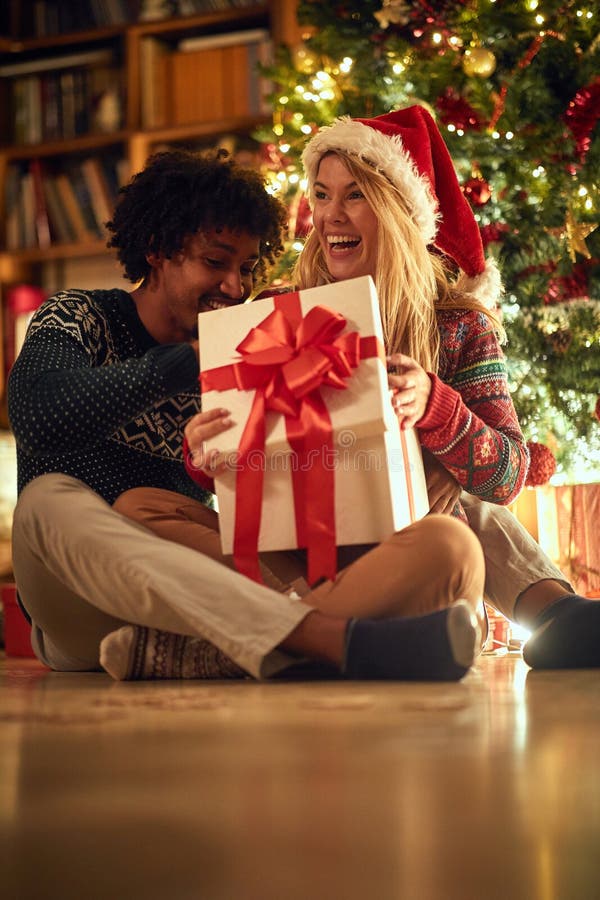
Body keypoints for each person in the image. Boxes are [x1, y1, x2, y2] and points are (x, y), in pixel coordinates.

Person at [121, 107, 599, 672]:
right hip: (290, 559)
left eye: (354, 196)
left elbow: (508, 475)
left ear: (396, 210)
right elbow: (237, 475)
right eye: (321, 195)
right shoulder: (272, 308)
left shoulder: (458, 325)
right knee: (137, 509)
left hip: (398, 559)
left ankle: (248, 643)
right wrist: (207, 455)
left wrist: (436, 406)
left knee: (452, 543)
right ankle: (313, 636)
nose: (329, 216)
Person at [8, 147, 483, 684]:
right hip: (83, 600)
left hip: (204, 605)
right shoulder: (79, 316)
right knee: (47, 502)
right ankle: (319, 636)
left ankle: (230, 652)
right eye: (216, 262)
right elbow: (37, 414)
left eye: (246, 268)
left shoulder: (242, 353)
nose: (235, 288)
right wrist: (182, 365)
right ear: (158, 249)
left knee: (449, 541)